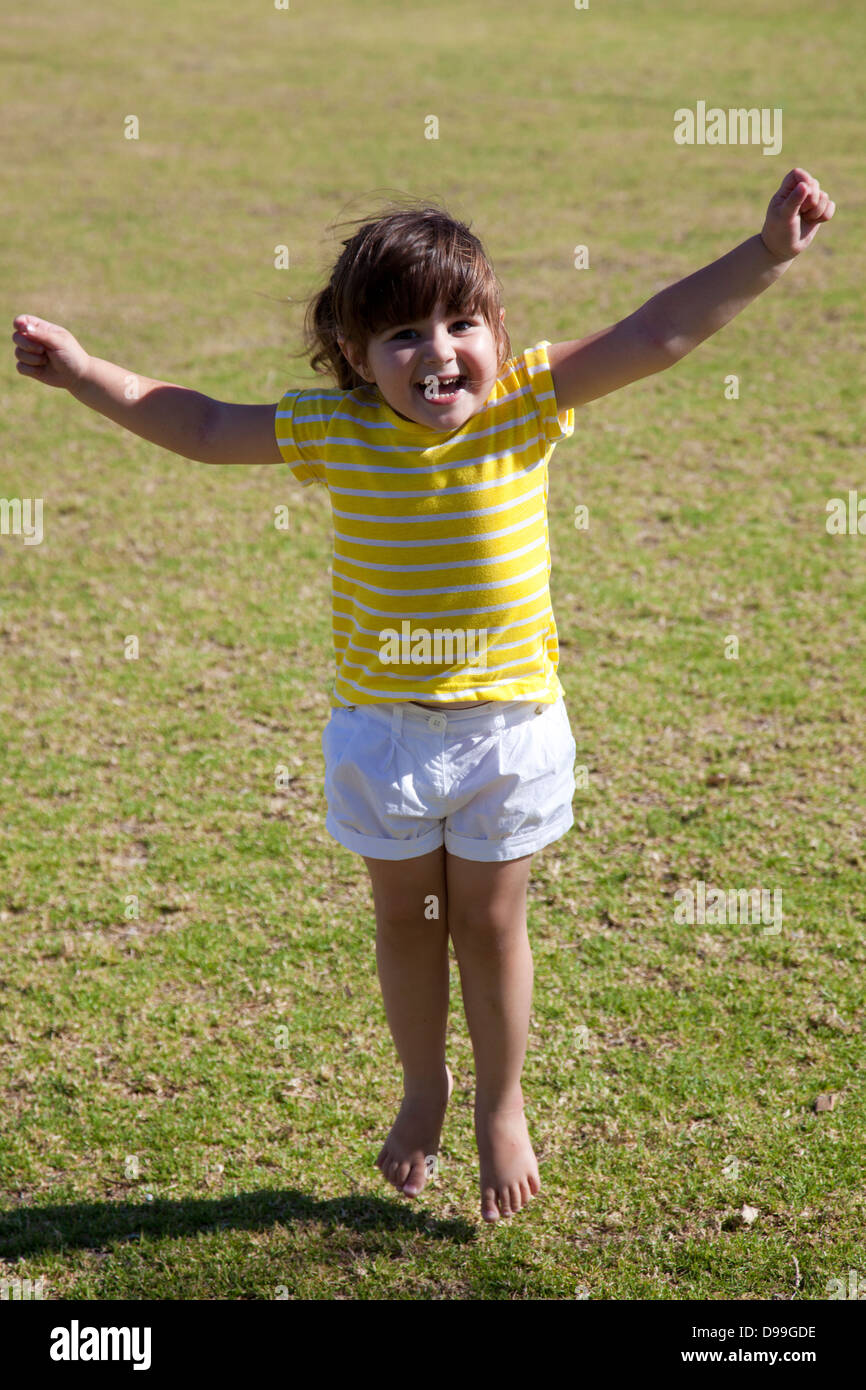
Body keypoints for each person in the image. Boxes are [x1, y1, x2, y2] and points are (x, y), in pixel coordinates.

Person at [12, 168, 834, 1223]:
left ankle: (500, 1100)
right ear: (354, 359)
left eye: (458, 322)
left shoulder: (528, 402)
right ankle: (423, 1085)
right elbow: (207, 425)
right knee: (404, 920)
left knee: (488, 925)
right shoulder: (339, 431)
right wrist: (85, 373)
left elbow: (657, 332)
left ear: (496, 329)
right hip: (382, 737)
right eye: (400, 334)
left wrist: (762, 252)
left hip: (509, 731)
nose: (437, 351)